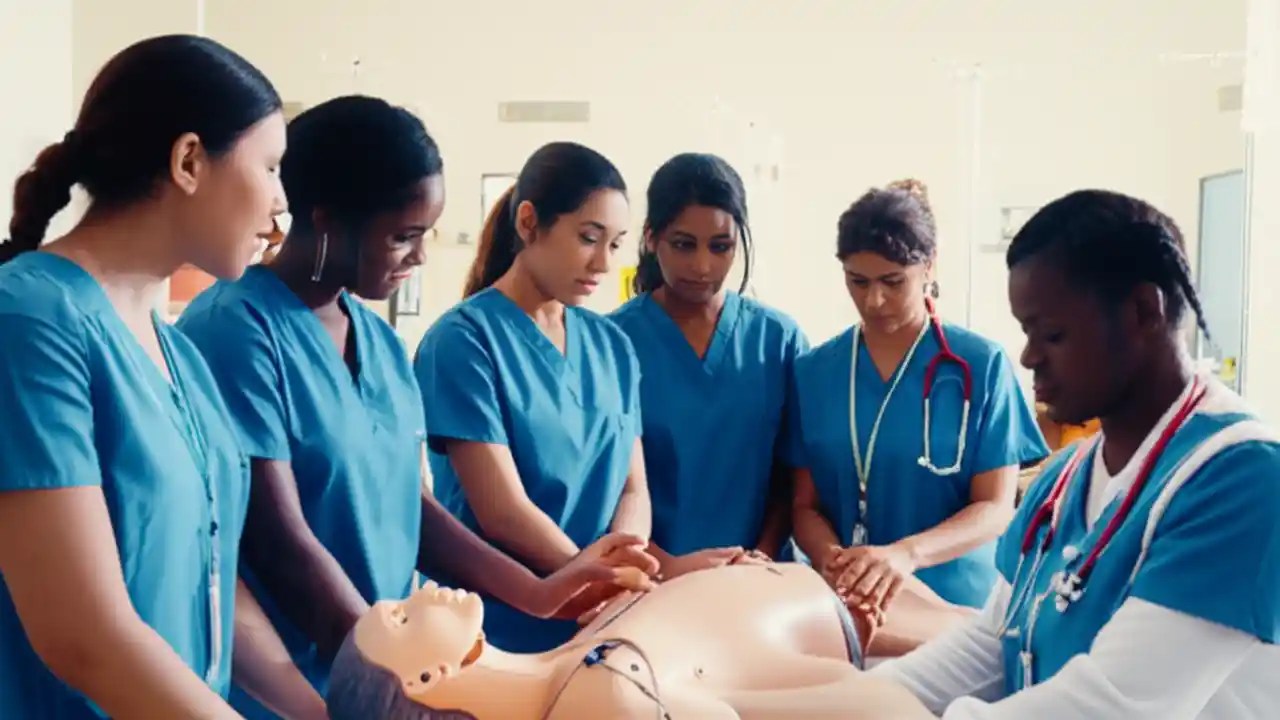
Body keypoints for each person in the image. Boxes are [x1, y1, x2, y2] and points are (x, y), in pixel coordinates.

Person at [178, 98, 658, 716]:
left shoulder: (376, 340)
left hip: (387, 675)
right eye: (403, 236)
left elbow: (414, 507)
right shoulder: (235, 329)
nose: (422, 256)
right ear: (326, 220)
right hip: (287, 684)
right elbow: (276, 539)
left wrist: (541, 594)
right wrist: (384, 676)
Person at [0, 34, 327, 718]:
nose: (281, 204)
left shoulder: (179, 358)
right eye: (270, 167)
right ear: (188, 161)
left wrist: (318, 710)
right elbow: (82, 635)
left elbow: (212, 583)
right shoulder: (30, 319)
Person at [873, 189, 1280, 718]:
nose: (1029, 356)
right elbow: (992, 645)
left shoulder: (1243, 479)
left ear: (1141, 312)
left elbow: (1111, 705)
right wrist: (866, 699)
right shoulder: (1062, 480)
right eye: (1026, 331)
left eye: (1053, 333)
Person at [415, 141, 669, 653]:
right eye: (588, 238)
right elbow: (503, 511)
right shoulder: (464, 340)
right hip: (495, 633)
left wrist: (623, 572)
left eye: (615, 244)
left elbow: (632, 489)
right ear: (529, 222)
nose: (602, 262)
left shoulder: (612, 346)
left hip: (601, 625)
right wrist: (591, 581)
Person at [791, 179, 1048, 621]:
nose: (874, 299)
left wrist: (906, 555)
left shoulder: (979, 366)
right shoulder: (816, 371)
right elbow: (803, 505)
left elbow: (995, 507)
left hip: (954, 605)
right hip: (847, 604)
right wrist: (833, 560)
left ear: (929, 266)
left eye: (893, 281)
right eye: (858, 281)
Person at [325, 564, 942, 719]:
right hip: (866, 628)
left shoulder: (566, 663)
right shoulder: (608, 699)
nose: (423, 590)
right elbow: (878, 710)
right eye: (404, 618)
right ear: (427, 679)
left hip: (840, 597)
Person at [609, 153, 808, 564]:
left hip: (757, 579)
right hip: (644, 580)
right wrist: (663, 567)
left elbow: (794, 480)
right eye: (683, 245)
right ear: (650, 238)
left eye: (721, 247)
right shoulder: (611, 343)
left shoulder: (778, 341)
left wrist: (759, 556)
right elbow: (605, 487)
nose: (702, 266)